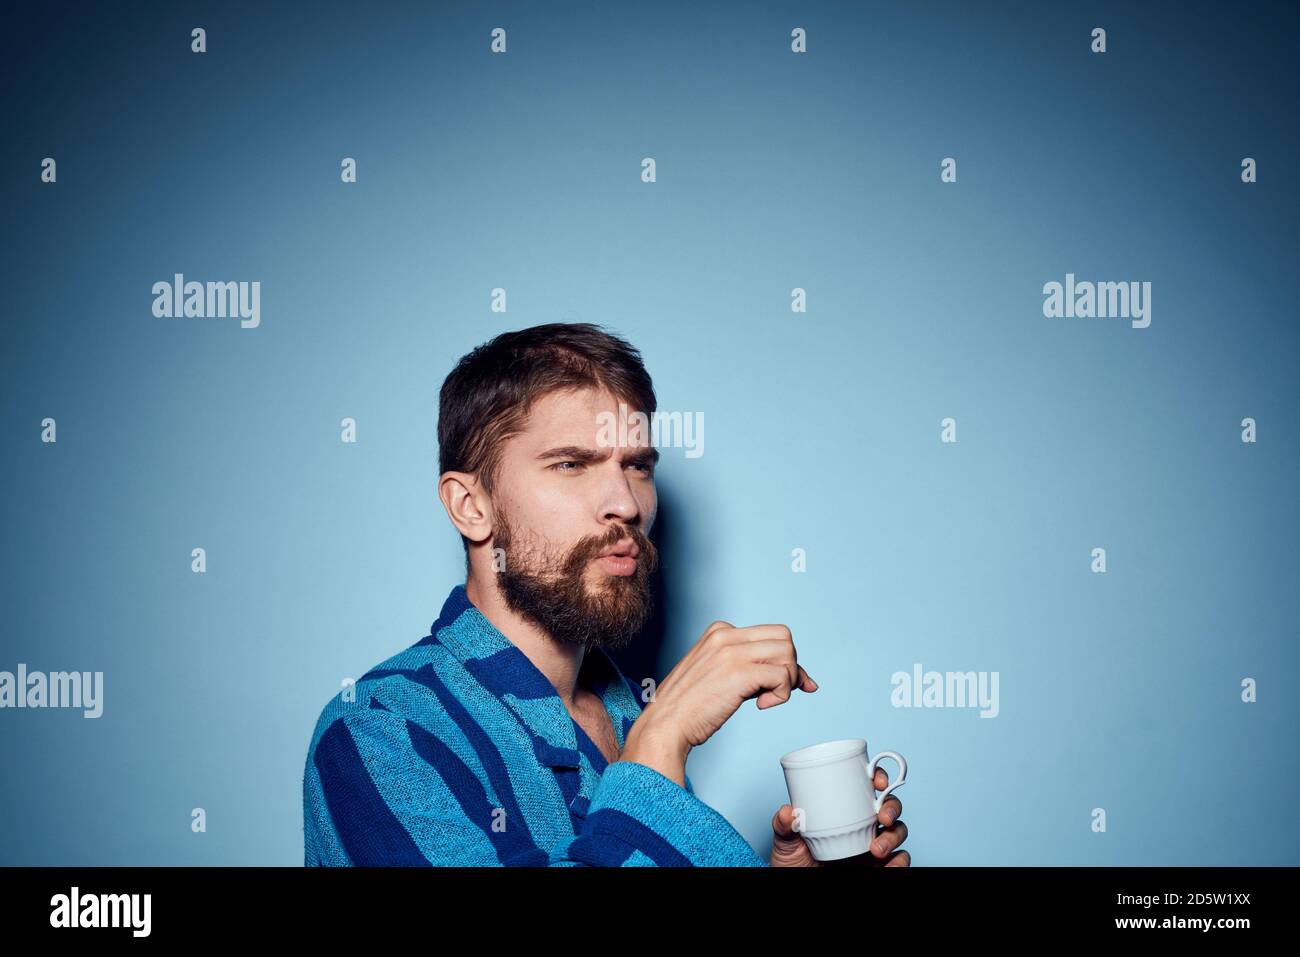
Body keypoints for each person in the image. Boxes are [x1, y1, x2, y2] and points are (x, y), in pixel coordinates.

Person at [303, 322, 909, 866]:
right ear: (471, 505)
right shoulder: (381, 734)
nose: (625, 503)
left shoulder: (625, 711)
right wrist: (661, 742)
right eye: (572, 464)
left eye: (638, 466)